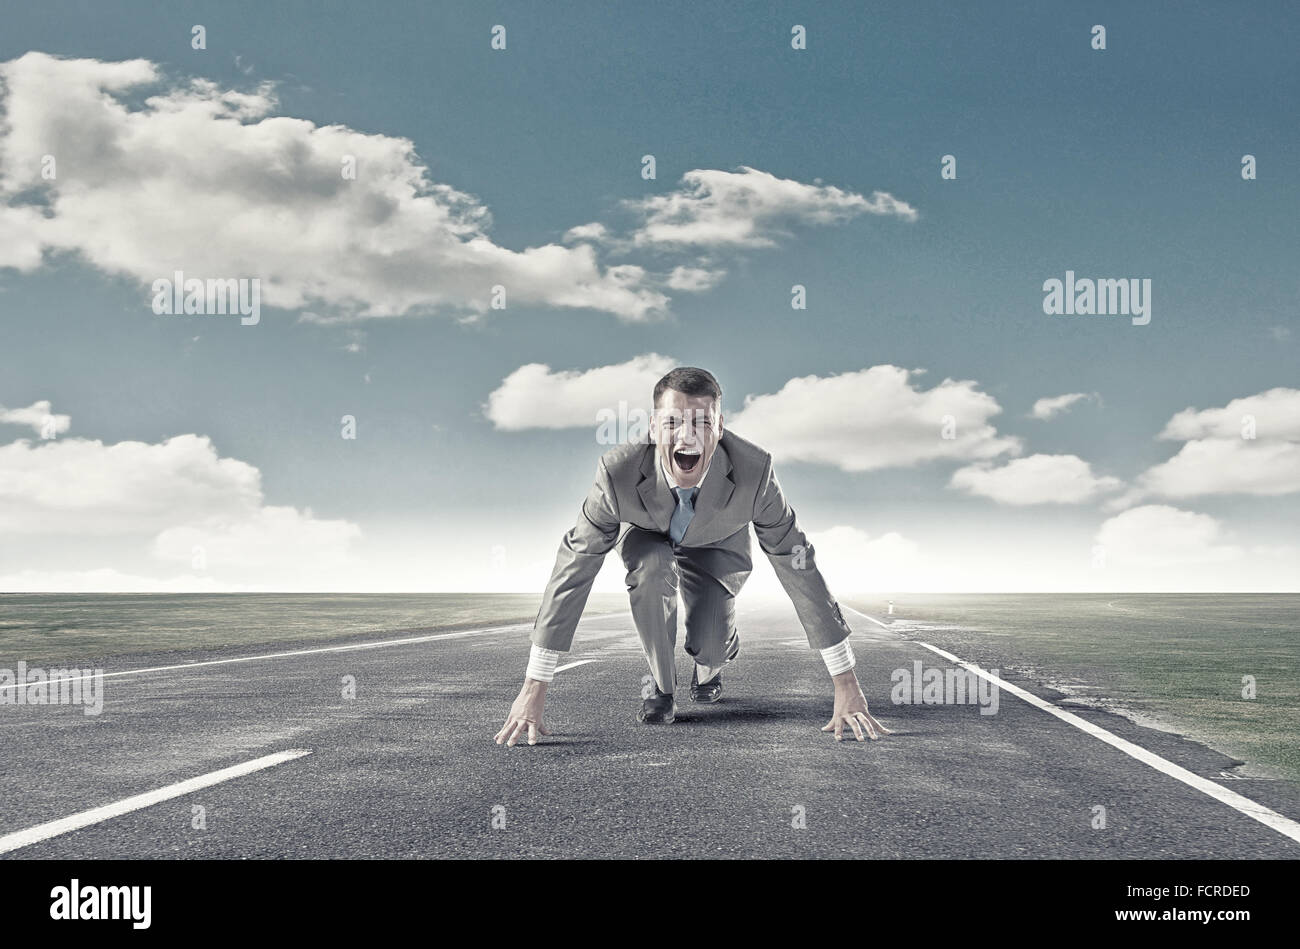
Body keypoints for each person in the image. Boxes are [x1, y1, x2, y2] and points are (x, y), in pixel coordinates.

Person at [494, 367, 890, 746]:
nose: (687, 436)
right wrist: (533, 688)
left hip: (718, 543)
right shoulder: (617, 474)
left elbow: (796, 561)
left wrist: (847, 684)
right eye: (671, 423)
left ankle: (712, 664)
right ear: (653, 427)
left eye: (702, 422)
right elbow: (574, 568)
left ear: (719, 427)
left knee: (711, 642)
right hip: (647, 537)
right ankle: (662, 691)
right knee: (652, 570)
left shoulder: (755, 471)